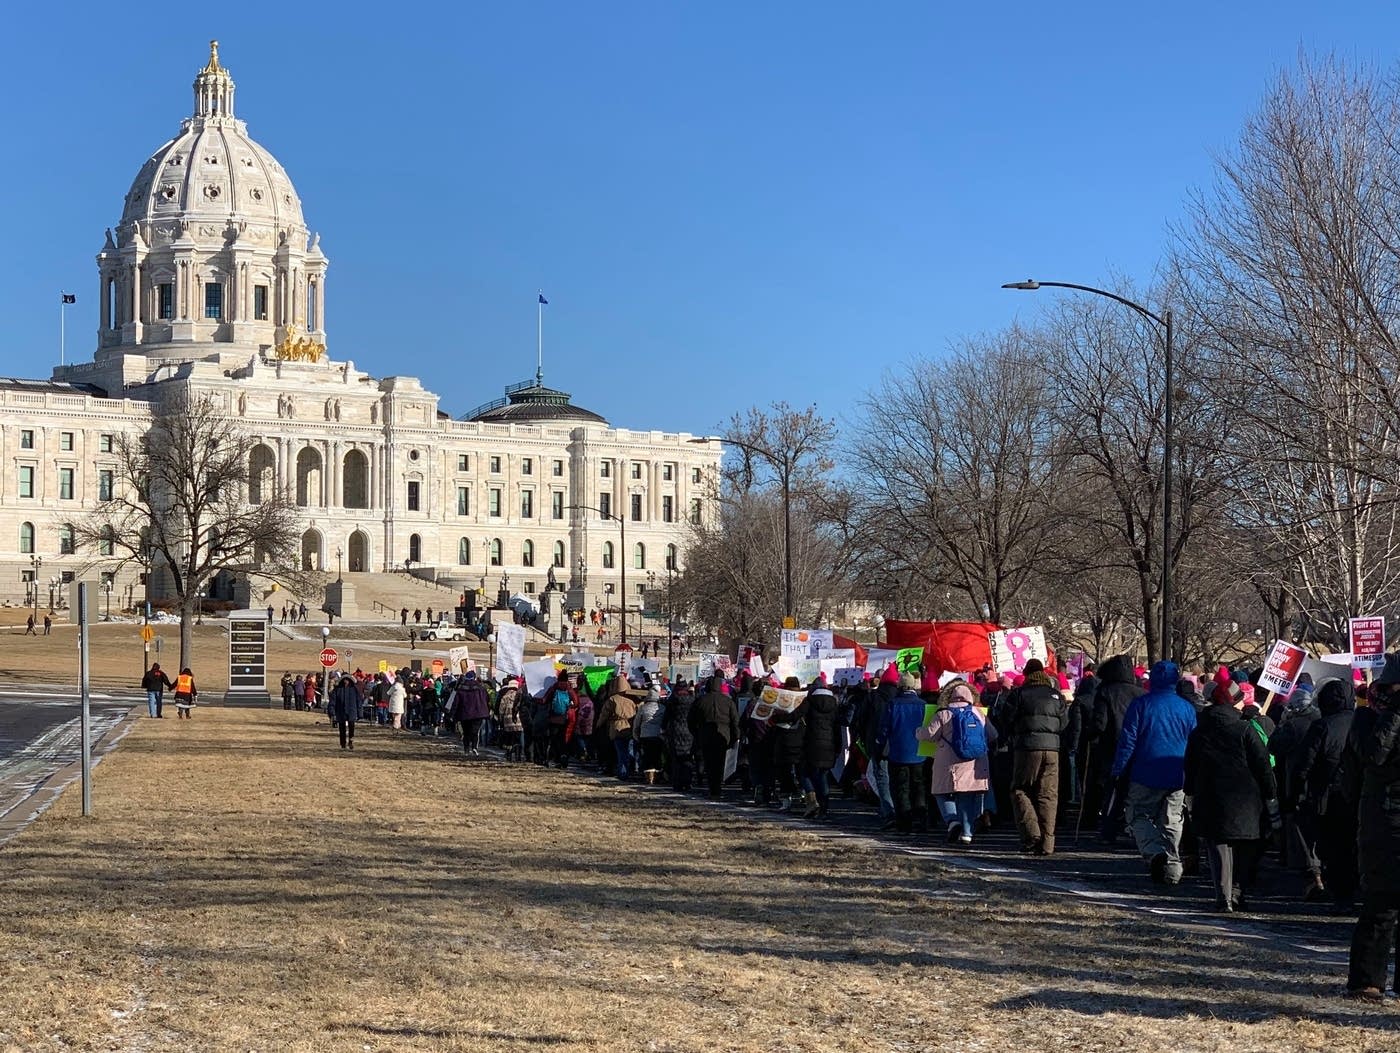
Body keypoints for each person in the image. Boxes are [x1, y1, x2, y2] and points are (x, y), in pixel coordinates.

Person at [1185, 675, 1279, 912]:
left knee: (1218, 849)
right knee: (1245, 849)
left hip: (1211, 797)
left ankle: (1223, 895)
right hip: (1246, 799)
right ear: (1233, 702)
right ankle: (1237, 890)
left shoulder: (1200, 730)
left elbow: (1190, 764)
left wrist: (1190, 793)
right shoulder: (1245, 729)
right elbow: (1262, 765)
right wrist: (1270, 794)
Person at [1112, 660, 1198, 884]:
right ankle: (1172, 866)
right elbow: (1195, 741)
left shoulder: (1141, 705)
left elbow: (1128, 740)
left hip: (1146, 771)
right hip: (1178, 772)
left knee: (1137, 814)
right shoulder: (1186, 708)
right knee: (1172, 821)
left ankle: (1155, 851)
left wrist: (1119, 769)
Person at [1346, 652, 1400, 1000]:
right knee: (1381, 903)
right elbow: (1372, 756)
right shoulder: (1368, 718)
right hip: (1383, 818)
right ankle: (1368, 981)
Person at [919, 680, 997, 845]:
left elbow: (929, 735)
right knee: (967, 796)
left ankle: (952, 821)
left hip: (947, 763)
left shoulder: (943, 714)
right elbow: (993, 735)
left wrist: (918, 732)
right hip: (974, 762)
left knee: (941, 792)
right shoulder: (978, 713)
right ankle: (967, 833)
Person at [1008, 658, 1068, 855]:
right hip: (1052, 749)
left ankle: (1031, 833)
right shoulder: (1056, 695)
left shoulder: (1019, 694)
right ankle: (1048, 842)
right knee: (1048, 795)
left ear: (1026, 675)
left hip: (1026, 747)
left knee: (1019, 789)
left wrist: (1013, 733)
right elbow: (1064, 722)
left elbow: (1006, 718)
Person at [875, 671, 930, 834]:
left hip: (898, 753)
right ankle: (921, 819)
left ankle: (904, 823)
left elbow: (884, 729)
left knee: (901, 789)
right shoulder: (923, 704)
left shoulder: (893, 704)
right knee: (919, 786)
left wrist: (879, 747)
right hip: (919, 752)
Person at [692, 674, 741, 800]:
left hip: (706, 734)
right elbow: (735, 721)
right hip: (723, 735)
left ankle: (712, 788)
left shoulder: (700, 700)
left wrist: (697, 734)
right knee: (720, 763)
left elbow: (690, 720)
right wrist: (736, 737)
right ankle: (717, 788)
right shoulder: (728, 701)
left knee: (709, 762)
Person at [799, 682, 841, 819]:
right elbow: (837, 728)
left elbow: (796, 715)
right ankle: (824, 807)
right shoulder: (834, 705)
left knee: (805, 773)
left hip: (811, 744)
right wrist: (838, 747)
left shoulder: (809, 702)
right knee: (823, 776)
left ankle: (812, 801)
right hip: (829, 745)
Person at [449, 671, 491, 756]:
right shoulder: (481, 688)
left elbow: (455, 702)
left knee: (466, 732)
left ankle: (466, 749)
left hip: (464, 713)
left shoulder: (461, 688)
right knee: (475, 732)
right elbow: (487, 699)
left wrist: (452, 714)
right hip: (478, 713)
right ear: (474, 677)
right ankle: (474, 747)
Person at [634, 687, 666, 780]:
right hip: (658, 736)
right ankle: (657, 775)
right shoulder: (662, 708)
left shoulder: (643, 708)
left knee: (647, 756)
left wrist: (636, 735)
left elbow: (637, 723)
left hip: (645, 735)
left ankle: (648, 777)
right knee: (657, 756)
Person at [330, 673, 360, 750]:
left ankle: (350, 741)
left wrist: (360, 713)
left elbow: (358, 701)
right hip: (341, 711)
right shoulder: (337, 689)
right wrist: (332, 712)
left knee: (351, 727)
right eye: (344, 679)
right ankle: (343, 744)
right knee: (342, 729)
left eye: (347, 680)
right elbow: (333, 701)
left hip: (351, 711)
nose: (346, 681)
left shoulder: (354, 689)